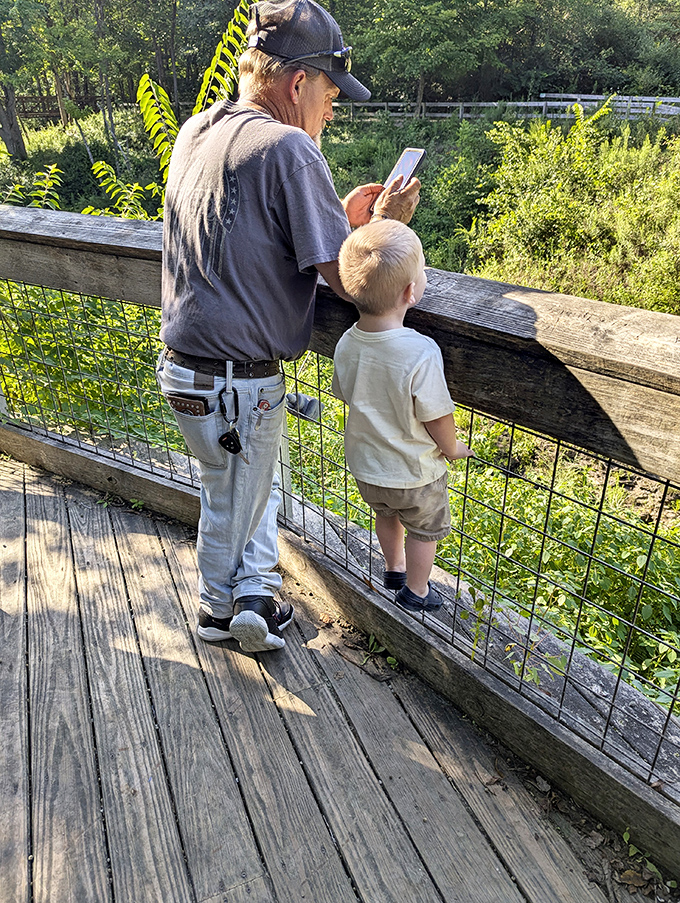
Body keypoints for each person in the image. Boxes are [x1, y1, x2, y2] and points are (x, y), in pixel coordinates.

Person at [157, 0, 420, 652]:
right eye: (330, 93)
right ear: (297, 83)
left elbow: (252, 231)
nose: (333, 109)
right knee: (233, 495)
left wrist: (335, 213)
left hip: (184, 369)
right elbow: (354, 280)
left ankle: (253, 595)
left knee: (242, 482)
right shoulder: (290, 147)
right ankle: (219, 609)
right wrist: (388, 226)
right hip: (237, 381)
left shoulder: (199, 130)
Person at [332, 220, 474, 613]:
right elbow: (437, 414)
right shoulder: (420, 351)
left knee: (386, 515)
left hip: (368, 468)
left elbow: (345, 393)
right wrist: (453, 448)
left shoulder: (347, 342)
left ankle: (393, 569)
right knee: (424, 531)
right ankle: (416, 591)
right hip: (415, 472)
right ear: (411, 292)